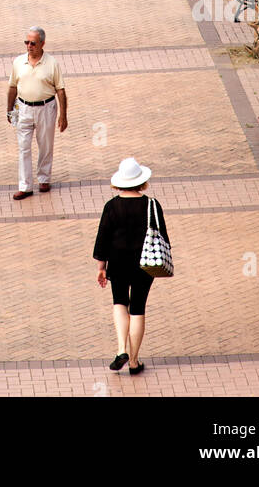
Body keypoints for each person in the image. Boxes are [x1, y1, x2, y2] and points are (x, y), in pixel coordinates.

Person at [92, 157, 170, 375]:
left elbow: (103, 238)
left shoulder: (111, 206)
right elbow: (163, 236)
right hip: (145, 263)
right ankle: (134, 361)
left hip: (117, 262)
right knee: (138, 308)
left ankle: (121, 349)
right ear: (141, 182)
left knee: (119, 303)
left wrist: (101, 267)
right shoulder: (151, 205)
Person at [7, 28, 67, 199]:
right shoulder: (18, 62)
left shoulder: (52, 63)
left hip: (46, 108)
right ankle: (25, 186)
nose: (29, 46)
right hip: (23, 108)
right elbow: (12, 87)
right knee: (23, 147)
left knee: (45, 145)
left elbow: (61, 91)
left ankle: (44, 178)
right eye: (27, 42)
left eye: (33, 43)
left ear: (42, 44)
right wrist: (9, 109)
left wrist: (63, 116)